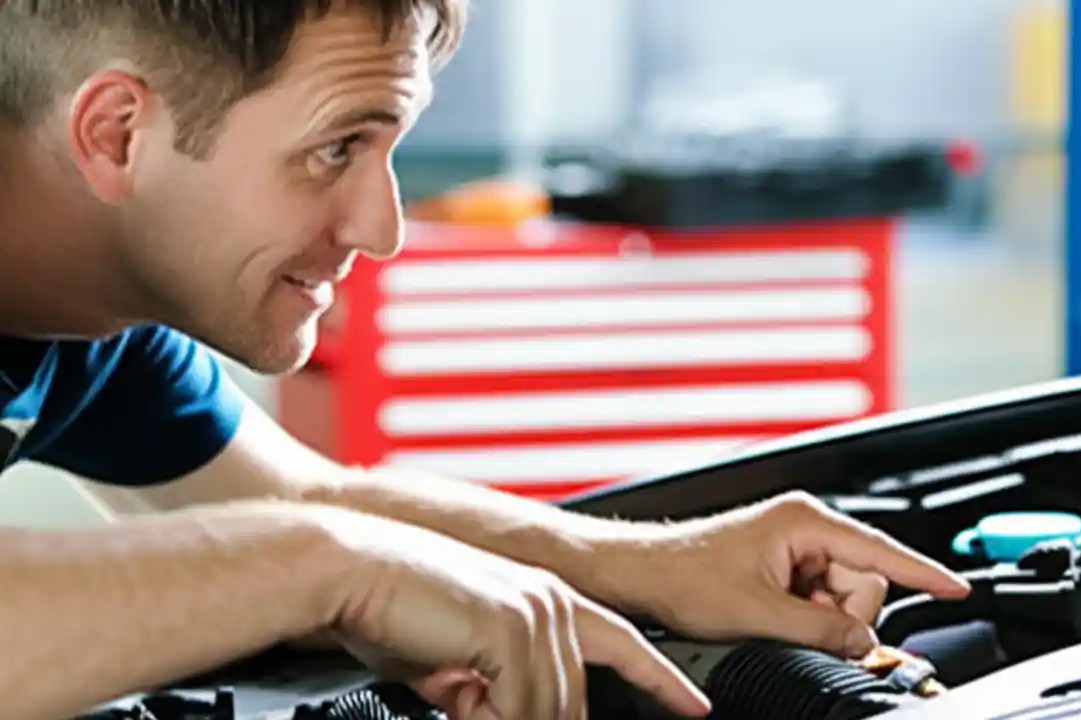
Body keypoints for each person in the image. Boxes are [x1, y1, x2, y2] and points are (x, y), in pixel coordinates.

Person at [0, 2, 971, 719]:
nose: (381, 230)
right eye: (335, 150)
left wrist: (653, 563)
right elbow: (307, 547)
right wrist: (327, 570)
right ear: (118, 134)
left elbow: (289, 506)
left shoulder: (90, 325)